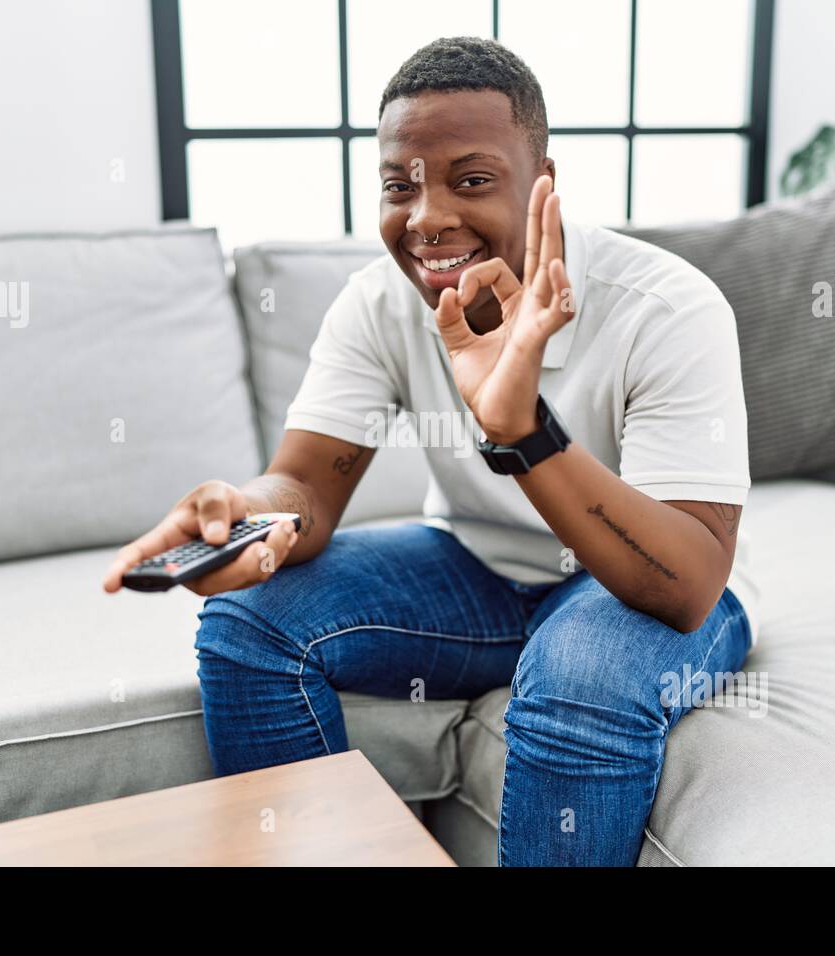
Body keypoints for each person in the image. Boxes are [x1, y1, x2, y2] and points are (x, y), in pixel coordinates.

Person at [104, 36, 757, 866]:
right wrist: (249, 516)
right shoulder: (377, 302)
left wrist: (521, 431)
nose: (427, 218)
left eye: (470, 180)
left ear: (543, 184)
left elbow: (687, 581)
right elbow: (305, 484)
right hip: (478, 573)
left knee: (579, 673)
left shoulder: (667, 308)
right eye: (398, 185)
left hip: (640, 589)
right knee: (246, 620)